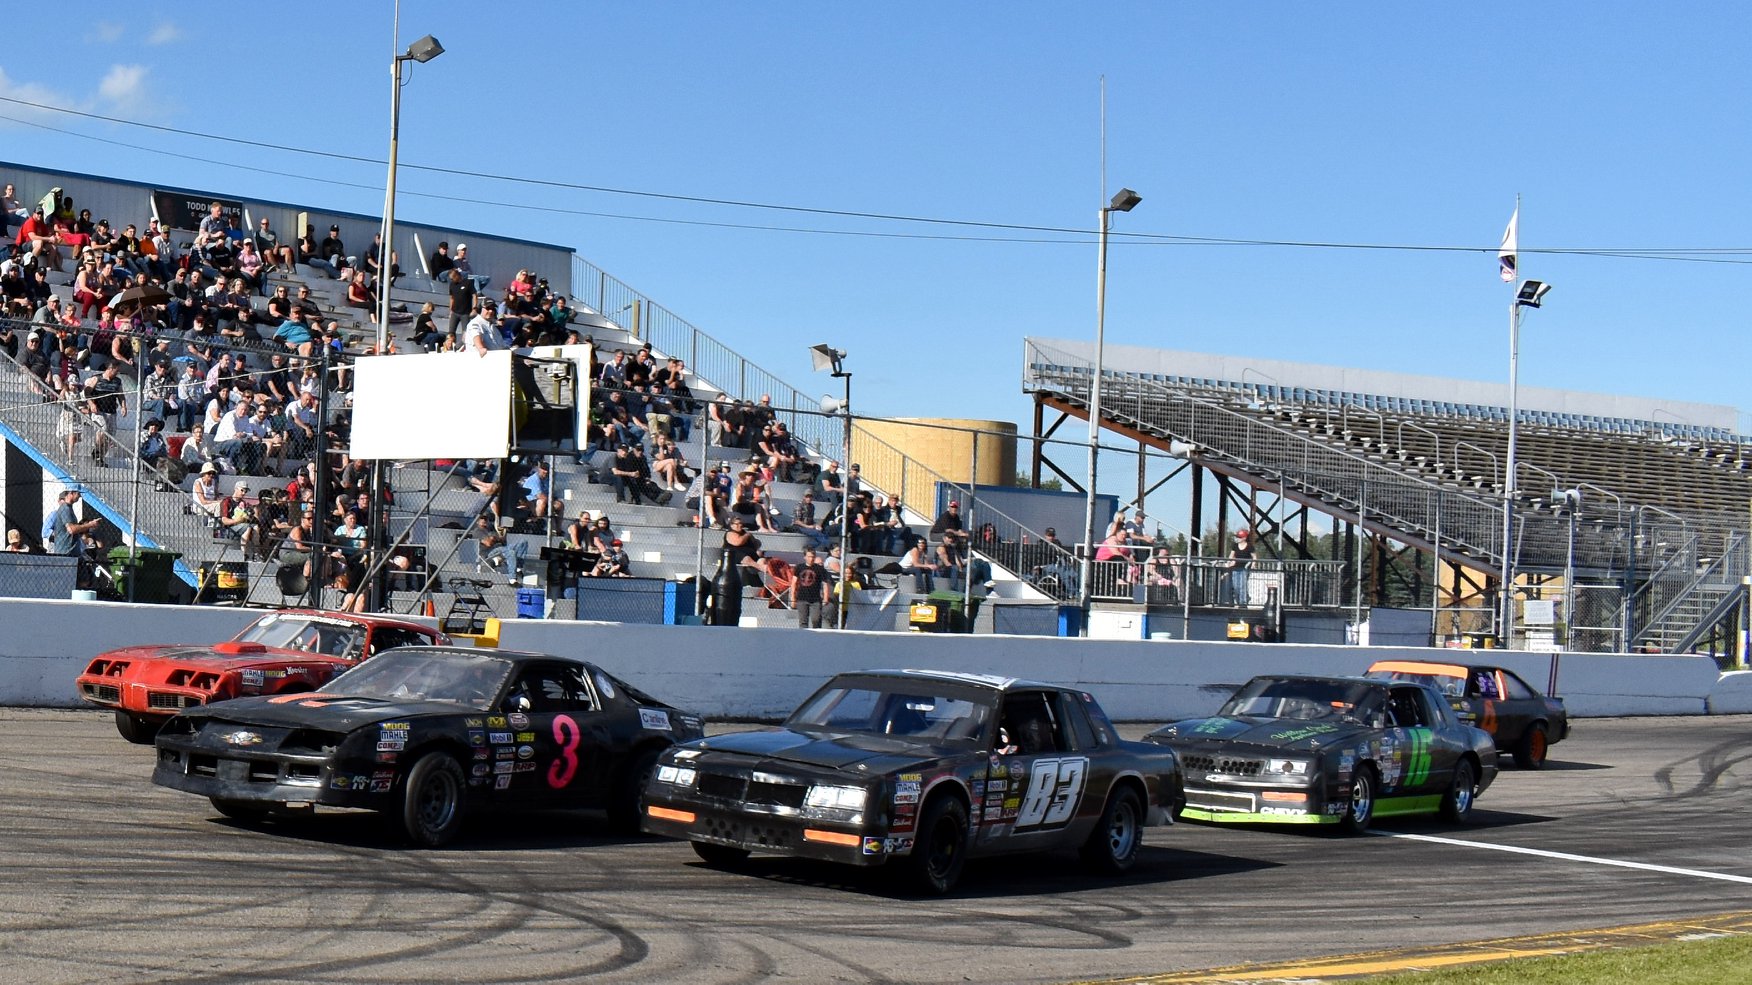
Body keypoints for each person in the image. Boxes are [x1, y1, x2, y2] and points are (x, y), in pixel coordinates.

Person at [790, 548, 831, 628]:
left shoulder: (820, 569)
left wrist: (825, 597)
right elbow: (794, 583)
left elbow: (825, 584)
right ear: (805, 557)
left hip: (815, 599)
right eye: (809, 557)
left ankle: (816, 634)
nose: (811, 559)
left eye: (813, 557)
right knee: (803, 621)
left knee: (816, 619)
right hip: (802, 598)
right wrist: (793, 598)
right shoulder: (799, 567)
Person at [1225, 528, 1255, 605]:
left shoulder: (1249, 546)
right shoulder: (1235, 545)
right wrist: (1228, 562)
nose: (1237, 538)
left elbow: (1254, 557)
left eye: (1239, 537)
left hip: (1244, 568)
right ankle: (1238, 600)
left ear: (1244, 538)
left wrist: (1253, 564)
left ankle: (1243, 603)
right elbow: (1231, 555)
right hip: (1235, 568)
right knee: (1236, 586)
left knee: (1242, 586)